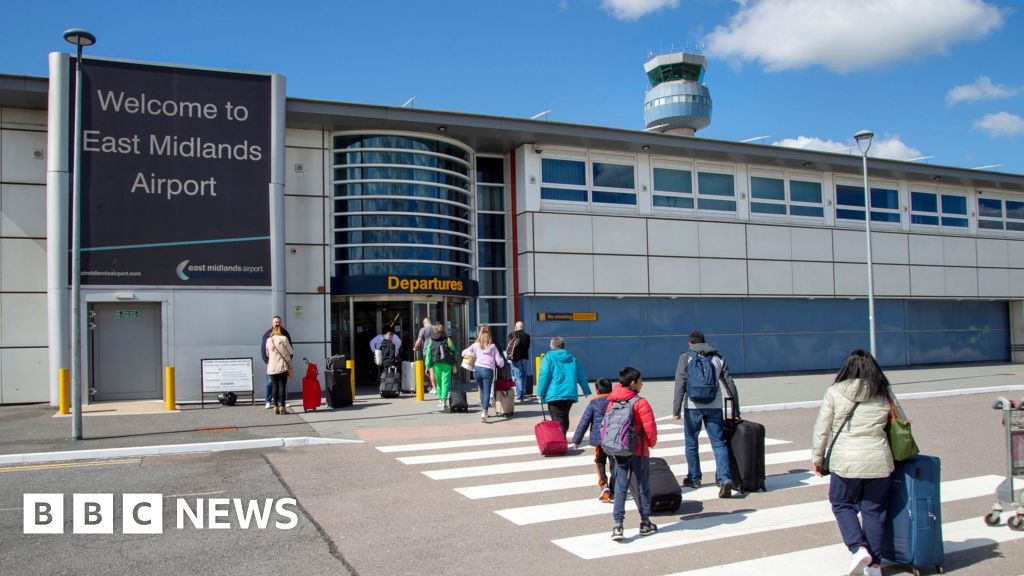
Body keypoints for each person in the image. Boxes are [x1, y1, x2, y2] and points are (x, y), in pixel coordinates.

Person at [812, 349, 894, 576]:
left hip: (846, 462)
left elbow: (822, 429)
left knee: (841, 503)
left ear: (847, 368)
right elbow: (898, 422)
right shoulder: (883, 391)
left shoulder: (835, 392)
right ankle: (875, 565)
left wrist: (817, 459)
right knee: (874, 511)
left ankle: (858, 548)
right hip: (879, 461)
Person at [672, 330, 739, 498]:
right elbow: (729, 382)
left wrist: (676, 408)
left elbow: (680, 382)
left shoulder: (685, 357)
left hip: (692, 406)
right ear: (705, 342)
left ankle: (694, 478)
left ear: (690, 343)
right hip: (714, 405)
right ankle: (724, 479)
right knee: (719, 443)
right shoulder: (718, 357)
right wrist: (736, 407)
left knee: (692, 443)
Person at [608, 367, 658, 541]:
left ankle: (618, 526)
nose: (642, 384)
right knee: (643, 487)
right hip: (638, 450)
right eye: (640, 381)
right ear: (632, 383)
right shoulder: (640, 402)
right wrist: (651, 443)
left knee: (621, 487)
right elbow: (649, 429)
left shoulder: (612, 400)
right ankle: (645, 523)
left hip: (619, 450)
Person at [536, 336, 591, 435]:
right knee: (564, 416)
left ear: (553, 346)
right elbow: (581, 374)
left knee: (557, 418)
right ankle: (562, 439)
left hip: (554, 393)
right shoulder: (572, 358)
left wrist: (540, 392)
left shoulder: (548, 358)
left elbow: (544, 375)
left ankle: (560, 442)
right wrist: (586, 389)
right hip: (570, 393)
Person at [571, 378, 615, 502]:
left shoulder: (593, 403)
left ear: (597, 391)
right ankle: (614, 487)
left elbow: (584, 421)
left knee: (600, 461)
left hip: (599, 439)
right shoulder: (616, 402)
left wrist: (577, 440)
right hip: (614, 438)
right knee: (614, 463)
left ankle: (604, 485)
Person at [462, 326, 505, 422]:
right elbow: (500, 362)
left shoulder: (476, 345)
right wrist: (502, 362)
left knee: (481, 390)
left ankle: (483, 410)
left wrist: (473, 354)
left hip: (477, 370)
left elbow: (463, 353)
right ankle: (484, 411)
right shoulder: (493, 347)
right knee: (487, 392)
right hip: (488, 371)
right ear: (489, 335)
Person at [260, 316, 291, 409]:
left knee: (277, 385)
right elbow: (263, 351)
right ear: (272, 323)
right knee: (272, 384)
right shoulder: (267, 335)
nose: (277, 324)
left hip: (281, 364)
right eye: (275, 322)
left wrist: (288, 361)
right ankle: (269, 401)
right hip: (272, 365)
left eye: (279, 322)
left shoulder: (285, 333)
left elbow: (290, 348)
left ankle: (278, 403)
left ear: (281, 323)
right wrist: (267, 362)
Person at [425, 324, 456, 409]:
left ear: (435, 330)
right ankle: (444, 401)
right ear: (443, 330)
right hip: (447, 363)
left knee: (439, 382)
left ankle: (440, 400)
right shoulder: (447, 339)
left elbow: (428, 353)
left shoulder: (432, 340)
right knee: (445, 382)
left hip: (436, 363)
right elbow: (453, 350)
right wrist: (454, 362)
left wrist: (427, 366)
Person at [265, 323, 293, 415]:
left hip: (272, 367)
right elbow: (291, 351)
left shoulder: (268, 340)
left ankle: (275, 406)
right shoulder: (284, 338)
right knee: (282, 386)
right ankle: (283, 407)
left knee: (275, 387)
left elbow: (267, 354)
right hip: (282, 366)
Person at [506, 321, 532, 402]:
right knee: (524, 375)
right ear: (522, 327)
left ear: (515, 327)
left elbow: (509, 347)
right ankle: (522, 392)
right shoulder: (527, 336)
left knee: (518, 377)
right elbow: (528, 347)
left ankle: (520, 395)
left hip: (515, 358)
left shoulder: (511, 335)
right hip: (525, 358)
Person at [413, 318, 436, 392]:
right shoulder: (436, 328)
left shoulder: (423, 329)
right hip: (437, 351)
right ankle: (438, 387)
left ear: (424, 323)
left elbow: (419, 341)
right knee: (437, 369)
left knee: (431, 370)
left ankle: (434, 388)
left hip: (428, 352)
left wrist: (415, 347)